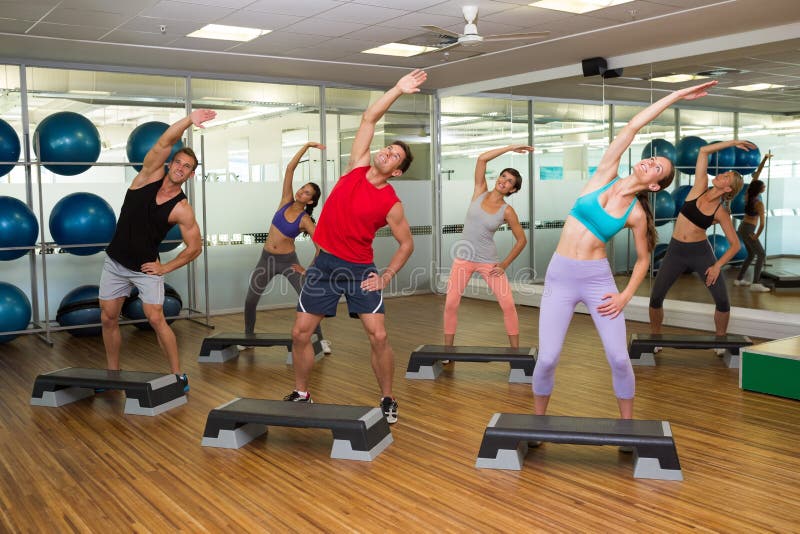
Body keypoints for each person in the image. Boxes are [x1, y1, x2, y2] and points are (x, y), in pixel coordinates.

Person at [532, 81, 716, 420]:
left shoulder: (635, 214)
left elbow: (645, 259)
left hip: (597, 281)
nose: (650, 163)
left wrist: (625, 295)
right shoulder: (605, 173)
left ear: (656, 185)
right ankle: (538, 422)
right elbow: (633, 126)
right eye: (652, 159)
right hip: (560, 277)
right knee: (547, 358)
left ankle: (628, 425)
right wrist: (675, 96)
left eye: (658, 167)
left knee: (618, 357)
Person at [286, 69, 427, 424]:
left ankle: (388, 397)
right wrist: (397, 89)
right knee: (300, 333)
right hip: (325, 266)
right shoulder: (356, 166)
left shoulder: (391, 203)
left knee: (378, 336)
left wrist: (387, 275)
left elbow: (406, 244)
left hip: (359, 270)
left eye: (395, 156)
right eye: (388, 148)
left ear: (397, 171)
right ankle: (302, 392)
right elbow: (369, 117)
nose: (387, 153)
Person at [100, 109, 214, 391]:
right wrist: (189, 119)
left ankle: (178, 376)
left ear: (191, 174)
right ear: (171, 163)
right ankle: (113, 374)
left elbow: (195, 247)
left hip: (146, 268)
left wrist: (165, 268)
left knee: (155, 318)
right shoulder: (147, 176)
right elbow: (164, 141)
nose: (180, 168)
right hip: (115, 262)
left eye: (187, 167)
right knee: (108, 317)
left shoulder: (182, 209)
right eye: (178, 162)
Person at [649, 140, 747, 340]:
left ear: (728, 189)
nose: (720, 174)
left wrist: (718, 265)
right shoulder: (699, 187)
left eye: (726, 176)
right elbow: (703, 151)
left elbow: (735, 244)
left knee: (722, 301)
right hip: (675, 251)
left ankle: (721, 340)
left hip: (700, 253)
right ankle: (655, 338)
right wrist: (734, 142)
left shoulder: (721, 212)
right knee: (656, 297)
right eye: (723, 172)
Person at [242, 142, 331, 353]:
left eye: (307, 193)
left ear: (311, 201)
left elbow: (321, 248)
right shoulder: (285, 201)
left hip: (288, 262)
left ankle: (321, 339)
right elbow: (290, 168)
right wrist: (307, 146)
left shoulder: (305, 220)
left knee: (307, 299)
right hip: (266, 259)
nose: (301, 192)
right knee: (250, 299)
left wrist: (308, 270)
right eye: (302, 188)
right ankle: (248, 337)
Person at [443, 145, 532, 355]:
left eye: (509, 181)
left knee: (508, 305)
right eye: (503, 176)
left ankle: (516, 354)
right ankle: (446, 351)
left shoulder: (507, 211)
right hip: (463, 260)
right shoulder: (479, 192)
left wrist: (503, 265)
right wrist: (511, 147)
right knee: (451, 304)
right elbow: (482, 159)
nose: (504, 181)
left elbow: (521, 240)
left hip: (488, 262)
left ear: (513, 190)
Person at [734, 154, 772, 292]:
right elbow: (762, 224)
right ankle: (756, 283)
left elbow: (757, 173)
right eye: (764, 185)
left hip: (743, 227)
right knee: (761, 254)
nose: (765, 186)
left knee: (751, 255)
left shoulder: (749, 193)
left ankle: (739, 279)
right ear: (760, 189)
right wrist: (756, 235)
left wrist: (765, 159)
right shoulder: (759, 204)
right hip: (749, 229)